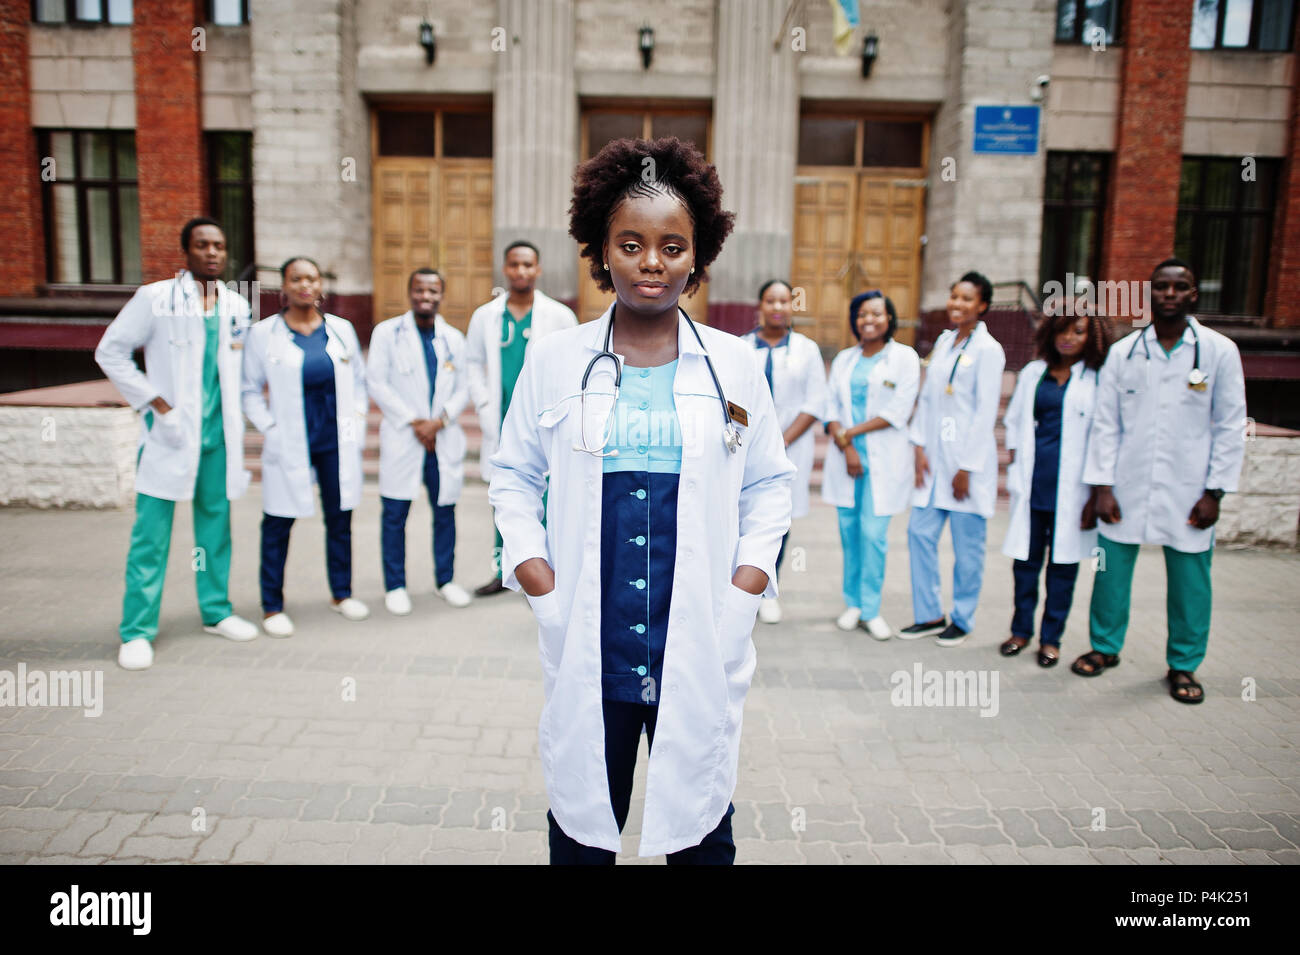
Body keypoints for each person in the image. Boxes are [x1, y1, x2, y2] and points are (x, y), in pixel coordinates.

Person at [489, 136, 795, 864]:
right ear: (601, 249)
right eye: (630, 244)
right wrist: (539, 577)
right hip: (590, 626)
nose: (651, 262)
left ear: (698, 255)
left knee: (701, 825)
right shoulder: (555, 359)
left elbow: (770, 484)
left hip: (697, 626)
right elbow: (512, 475)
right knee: (583, 827)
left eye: (671, 245)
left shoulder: (734, 364)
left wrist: (744, 589)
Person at [1073, 259, 1246, 703]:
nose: (1170, 294)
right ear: (1149, 295)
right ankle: (1105, 647)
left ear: (1194, 295)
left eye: (1180, 287)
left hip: (1189, 489)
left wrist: (1215, 492)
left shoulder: (1219, 352)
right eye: (1162, 287)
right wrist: (1102, 486)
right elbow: (1106, 423)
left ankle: (1184, 665)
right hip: (1125, 485)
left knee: (1190, 580)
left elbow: (1229, 425)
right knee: (1110, 571)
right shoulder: (1125, 351)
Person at [95, 217, 260, 670]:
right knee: (151, 536)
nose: (212, 253)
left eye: (219, 246)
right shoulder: (155, 298)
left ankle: (216, 610)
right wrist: (155, 403)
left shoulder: (235, 306)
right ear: (186, 251)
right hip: (169, 437)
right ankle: (136, 630)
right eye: (203, 245)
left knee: (214, 532)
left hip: (217, 440)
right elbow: (110, 351)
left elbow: (240, 372)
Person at [241, 257, 370, 635]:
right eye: (296, 279)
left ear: (320, 286)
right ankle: (272, 606)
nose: (304, 285)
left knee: (340, 518)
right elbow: (249, 390)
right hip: (291, 440)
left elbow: (359, 383)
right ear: (284, 286)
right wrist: (270, 427)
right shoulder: (264, 334)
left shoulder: (342, 330)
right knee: (278, 522)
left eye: (311, 278)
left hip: (335, 440)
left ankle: (341, 594)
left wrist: (357, 422)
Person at [1000, 306, 1112, 666]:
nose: (1069, 338)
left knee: (1063, 569)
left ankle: (1051, 639)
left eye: (1078, 332)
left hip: (1074, 493)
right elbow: (1016, 424)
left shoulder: (1096, 378)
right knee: (1025, 566)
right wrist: (1017, 473)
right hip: (1033, 487)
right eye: (1063, 330)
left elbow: (1104, 438)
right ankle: (1020, 631)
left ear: (1090, 337)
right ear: (1051, 333)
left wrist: (1095, 494)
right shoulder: (1034, 373)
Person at [465, 241, 578, 597]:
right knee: (506, 497)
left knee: (548, 500)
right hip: (500, 419)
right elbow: (472, 363)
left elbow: (573, 367)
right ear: (505, 268)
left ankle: (542, 575)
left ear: (538, 269)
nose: (521, 271)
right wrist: (483, 403)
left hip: (543, 421)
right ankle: (501, 572)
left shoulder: (559, 316)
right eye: (515, 265)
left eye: (528, 265)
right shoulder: (486, 316)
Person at [904, 271, 1006, 646]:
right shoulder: (945, 342)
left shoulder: (988, 350)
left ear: (982, 306)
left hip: (965, 467)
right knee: (919, 534)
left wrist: (967, 467)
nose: (957, 304)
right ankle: (929, 613)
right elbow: (928, 399)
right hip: (933, 460)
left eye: (966, 299)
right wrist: (917, 446)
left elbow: (985, 413)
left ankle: (962, 618)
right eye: (953, 297)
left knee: (967, 551)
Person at [367, 268, 473, 615]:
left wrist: (439, 421)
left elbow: (464, 387)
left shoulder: (453, 338)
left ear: (441, 295)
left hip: (441, 437)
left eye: (432, 291)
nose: (425, 296)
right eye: (419, 290)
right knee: (395, 513)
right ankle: (395, 585)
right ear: (410, 292)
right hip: (405, 436)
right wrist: (415, 422)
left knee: (445, 511)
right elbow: (377, 383)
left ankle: (445, 580)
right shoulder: (387, 333)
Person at [822, 291, 920, 639]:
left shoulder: (904, 358)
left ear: (890, 318)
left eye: (877, 314)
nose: (869, 320)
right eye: (863, 314)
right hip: (847, 462)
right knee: (849, 534)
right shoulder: (846, 359)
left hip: (883, 461)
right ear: (854, 320)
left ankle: (871, 609)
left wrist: (850, 434)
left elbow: (898, 411)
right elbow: (829, 406)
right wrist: (845, 444)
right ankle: (853, 604)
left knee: (874, 535)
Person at [739, 279, 828, 624]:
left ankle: (765, 590)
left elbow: (814, 402)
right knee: (739, 516)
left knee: (775, 519)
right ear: (760, 306)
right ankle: (735, 585)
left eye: (784, 301)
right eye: (770, 301)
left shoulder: (807, 350)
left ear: (792, 306)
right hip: (744, 447)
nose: (777, 307)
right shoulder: (741, 347)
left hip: (789, 448)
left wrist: (780, 440)